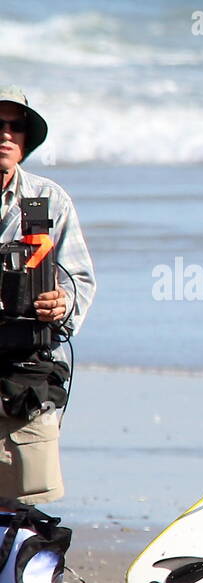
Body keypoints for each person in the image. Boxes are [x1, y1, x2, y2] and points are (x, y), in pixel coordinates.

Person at [0, 87, 94, 510]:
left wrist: (63, 302)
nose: (6, 135)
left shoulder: (49, 200)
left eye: (15, 127)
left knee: (23, 505)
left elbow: (80, 278)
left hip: (23, 374)